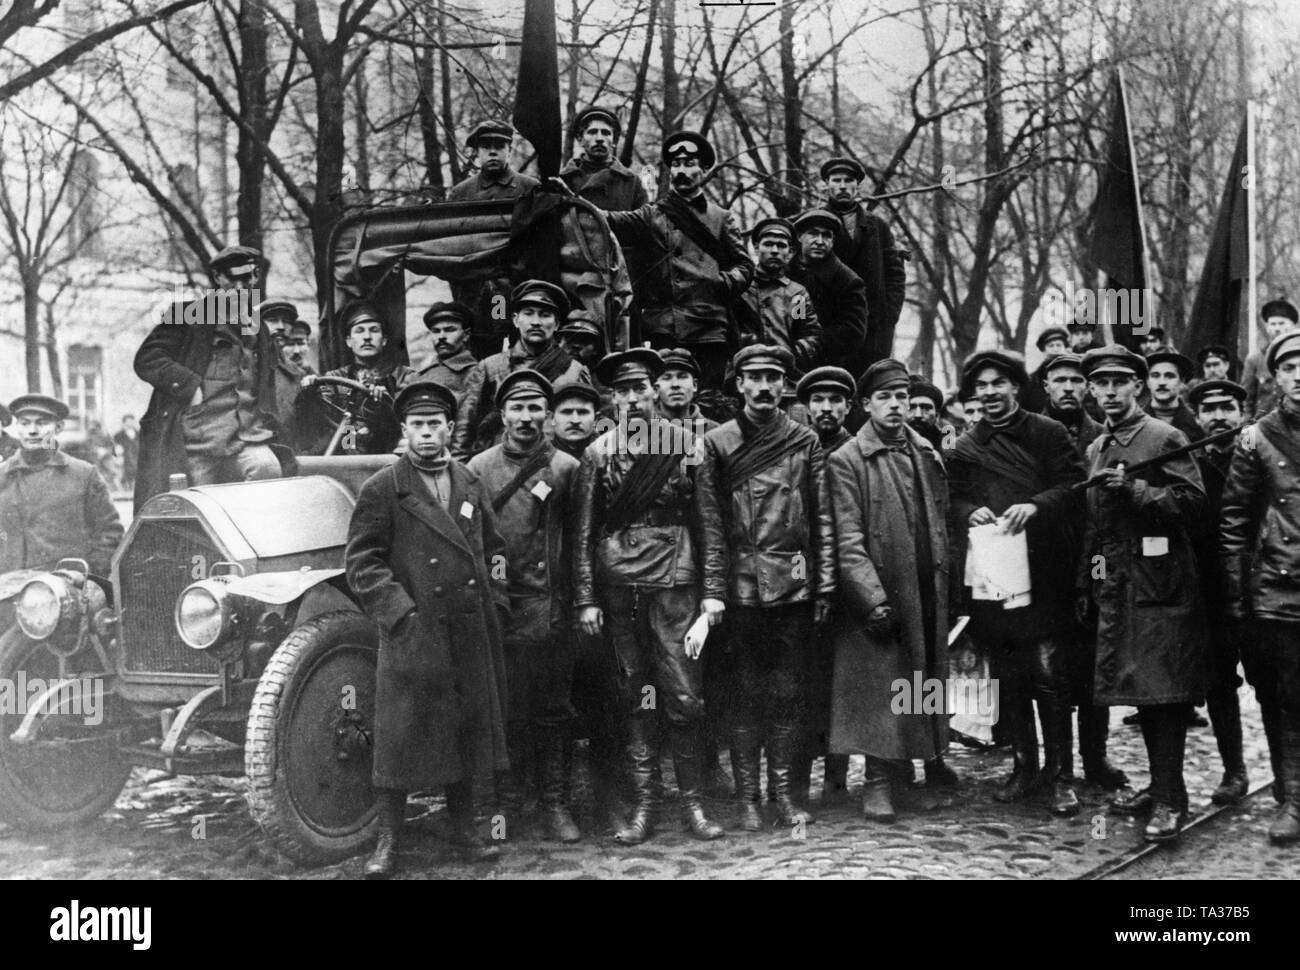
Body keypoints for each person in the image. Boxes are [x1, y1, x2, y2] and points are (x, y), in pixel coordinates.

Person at [344, 380, 510, 878]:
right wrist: (399, 613)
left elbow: (496, 550)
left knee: (462, 731)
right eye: (417, 425)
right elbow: (362, 564)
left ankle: (463, 829)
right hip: (414, 631)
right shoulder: (383, 487)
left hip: (466, 627)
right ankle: (389, 842)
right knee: (400, 737)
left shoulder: (468, 481)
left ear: (450, 429)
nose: (426, 434)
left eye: (435, 424)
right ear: (404, 430)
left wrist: (496, 600)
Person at [571, 348, 724, 844]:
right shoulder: (597, 454)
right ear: (611, 399)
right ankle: (644, 806)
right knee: (636, 696)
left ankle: (694, 806)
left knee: (684, 694)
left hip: (676, 588)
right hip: (619, 590)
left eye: (641, 388)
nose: (633, 399)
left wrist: (714, 592)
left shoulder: (687, 447)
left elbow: (709, 525)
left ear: (656, 391)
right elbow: (585, 533)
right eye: (623, 391)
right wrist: (586, 598)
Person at [695, 345, 835, 831]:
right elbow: (710, 526)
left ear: (783, 383)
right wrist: (713, 590)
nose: (763, 386)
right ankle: (746, 800)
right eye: (753, 377)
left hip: (794, 587)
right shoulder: (716, 442)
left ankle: (784, 796)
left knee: (788, 694)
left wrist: (826, 586)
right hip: (740, 591)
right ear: (738, 384)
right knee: (744, 696)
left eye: (773, 376)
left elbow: (823, 518)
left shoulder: (804, 439)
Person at [947, 349, 1086, 817]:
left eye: (997, 384)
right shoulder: (966, 445)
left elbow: (1074, 486)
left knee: (1048, 675)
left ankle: (1062, 774)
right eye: (980, 387)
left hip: (1043, 571)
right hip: (993, 574)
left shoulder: (1048, 432)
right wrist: (971, 512)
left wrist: (1037, 505)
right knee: (1008, 676)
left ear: (1016, 387)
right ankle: (1025, 767)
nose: (988, 393)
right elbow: (952, 498)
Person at [1076, 345, 1206, 843]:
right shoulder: (1096, 448)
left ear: (1139, 386)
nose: (1109, 391)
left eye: (1120, 382)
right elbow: (1095, 526)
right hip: (1116, 586)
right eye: (1100, 383)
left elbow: (1194, 505)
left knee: (1163, 694)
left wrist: (1139, 493)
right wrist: (1089, 579)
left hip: (1160, 586)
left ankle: (1172, 799)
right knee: (1137, 690)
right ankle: (1159, 786)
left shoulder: (1164, 437)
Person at [827, 359, 953, 821]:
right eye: (885, 397)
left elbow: (940, 521)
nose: (897, 406)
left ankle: (910, 775)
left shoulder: (926, 452)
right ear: (866, 404)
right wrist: (872, 599)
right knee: (882, 685)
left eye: (902, 396)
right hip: (882, 591)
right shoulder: (847, 460)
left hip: (925, 586)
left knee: (921, 681)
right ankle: (877, 781)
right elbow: (846, 538)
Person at [467, 370, 582, 844]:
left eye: (536, 407)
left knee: (553, 708)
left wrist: (575, 602)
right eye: (518, 407)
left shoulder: (567, 469)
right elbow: (471, 539)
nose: (527, 417)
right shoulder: (476, 469)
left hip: (551, 607)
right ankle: (509, 806)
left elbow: (579, 541)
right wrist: (491, 594)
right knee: (509, 711)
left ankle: (555, 805)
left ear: (549, 416)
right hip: (502, 607)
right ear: (503, 414)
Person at [1220, 331, 1300, 844]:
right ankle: (1292, 798)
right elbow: (1234, 519)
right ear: (1275, 377)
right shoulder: (1257, 437)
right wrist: (1236, 593)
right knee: (1287, 697)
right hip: (1281, 588)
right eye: (1291, 367)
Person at [603, 131, 754, 395]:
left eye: (689, 163)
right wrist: (571, 198)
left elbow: (745, 266)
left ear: (704, 169)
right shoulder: (653, 214)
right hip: (664, 328)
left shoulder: (721, 217)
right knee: (665, 399)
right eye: (676, 164)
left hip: (708, 328)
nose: (681, 170)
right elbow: (611, 220)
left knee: (707, 399)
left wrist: (720, 282)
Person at [133, 245, 283, 508]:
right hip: (197, 440)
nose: (240, 287)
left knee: (268, 470)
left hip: (246, 436)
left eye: (246, 279)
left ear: (255, 278)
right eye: (232, 279)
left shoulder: (260, 329)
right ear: (218, 279)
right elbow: (147, 359)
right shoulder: (188, 314)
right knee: (203, 513)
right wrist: (190, 386)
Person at [1040, 353, 1126, 790]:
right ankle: (1058, 766)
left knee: (1097, 665)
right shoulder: (1034, 434)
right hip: (1047, 570)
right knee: (1052, 672)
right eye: (1060, 380)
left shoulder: (1103, 439)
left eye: (1077, 380)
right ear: (1046, 387)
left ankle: (1095, 757)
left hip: (1093, 566)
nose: (1069, 388)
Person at [790, 366, 856, 806]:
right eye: (818, 401)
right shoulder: (794, 446)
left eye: (835, 400)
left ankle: (836, 781)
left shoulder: (855, 451)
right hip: (802, 580)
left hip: (848, 583)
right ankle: (795, 781)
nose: (826, 409)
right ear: (807, 406)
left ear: (849, 406)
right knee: (801, 684)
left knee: (843, 683)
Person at [1187, 379, 1250, 805]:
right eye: (1208, 409)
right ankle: (1234, 769)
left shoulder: (1260, 456)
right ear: (1197, 417)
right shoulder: (1190, 465)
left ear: (1242, 413)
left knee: (1278, 686)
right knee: (1219, 686)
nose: (1218, 417)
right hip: (1212, 597)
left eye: (1227, 407)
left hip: (1265, 590)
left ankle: (1289, 779)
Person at [453, 280, 590, 459]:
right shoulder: (490, 367)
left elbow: (587, 426)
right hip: (500, 465)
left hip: (555, 464)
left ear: (556, 324)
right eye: (528, 314)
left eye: (545, 315)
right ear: (516, 320)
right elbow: (465, 426)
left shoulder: (575, 370)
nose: (536, 322)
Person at [0, 394, 123, 578]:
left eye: (41, 423)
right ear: (17, 427)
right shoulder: (3, 475)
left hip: (66, 588)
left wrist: (87, 576)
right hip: (8, 589)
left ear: (58, 428)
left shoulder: (83, 474)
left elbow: (109, 533)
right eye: (25, 423)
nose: (32, 431)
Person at [448, 120, 541, 360]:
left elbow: (540, 245)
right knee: (482, 359)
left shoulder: (528, 188)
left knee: (521, 355)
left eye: (499, 146)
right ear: (476, 153)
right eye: (485, 146)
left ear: (509, 150)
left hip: (516, 290)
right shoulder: (461, 194)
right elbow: (453, 249)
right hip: (476, 293)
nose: (492, 151)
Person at [298, 301, 415, 456]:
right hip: (348, 442)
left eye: (374, 331)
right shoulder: (334, 378)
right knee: (343, 443)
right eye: (359, 331)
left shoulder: (405, 376)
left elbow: (409, 421)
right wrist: (311, 391)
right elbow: (324, 417)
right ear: (348, 341)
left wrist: (384, 405)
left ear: (384, 340)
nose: (367, 337)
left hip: (390, 447)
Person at [821, 156, 907, 366]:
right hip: (828, 328)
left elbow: (895, 274)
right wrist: (803, 323)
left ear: (857, 187)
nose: (842, 186)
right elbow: (798, 276)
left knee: (870, 389)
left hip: (874, 328)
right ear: (827, 185)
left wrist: (889, 317)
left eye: (849, 180)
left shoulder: (878, 226)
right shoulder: (814, 223)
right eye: (836, 180)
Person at [787, 209, 869, 380]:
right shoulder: (785, 271)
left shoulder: (847, 281)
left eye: (827, 236)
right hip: (778, 362)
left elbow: (853, 331)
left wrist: (811, 345)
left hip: (824, 368)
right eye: (813, 234)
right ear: (800, 236)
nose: (820, 241)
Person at [737, 217, 823, 370]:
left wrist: (793, 356)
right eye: (768, 244)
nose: (775, 251)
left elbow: (806, 331)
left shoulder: (796, 295)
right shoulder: (740, 288)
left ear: (789, 252)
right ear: (757, 248)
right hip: (746, 367)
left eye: (781, 246)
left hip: (785, 371)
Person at [559, 107, 648, 211]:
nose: (599, 139)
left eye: (606, 133)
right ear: (580, 139)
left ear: (614, 141)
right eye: (592, 132)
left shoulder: (631, 183)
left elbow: (644, 222)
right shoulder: (563, 180)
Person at [1242, 298, 1299, 421]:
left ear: (1293, 326)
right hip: (1264, 426)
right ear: (1267, 327)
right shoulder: (1255, 359)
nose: (1277, 328)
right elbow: (1247, 402)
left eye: (1282, 323)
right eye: (1273, 324)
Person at [416, 302, 479, 401]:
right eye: (436, 331)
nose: (441, 337)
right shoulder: (420, 375)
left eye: (450, 330)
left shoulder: (477, 374)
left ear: (466, 335)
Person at [655, 347, 715, 433]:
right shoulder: (643, 431)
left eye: (682, 377)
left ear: (694, 385)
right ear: (655, 388)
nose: (675, 384)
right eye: (666, 378)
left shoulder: (713, 432)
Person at [1144, 349, 1200, 440]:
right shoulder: (1132, 422)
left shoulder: (1197, 422)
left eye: (1169, 376)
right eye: (1155, 376)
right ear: (1147, 382)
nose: (1162, 382)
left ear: (1182, 381)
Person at [550, 380, 600, 461]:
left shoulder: (607, 454)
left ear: (596, 419)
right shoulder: (539, 455)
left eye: (582, 412)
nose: (575, 420)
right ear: (552, 418)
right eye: (566, 412)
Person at [907, 378, 946, 452]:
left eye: (926, 408)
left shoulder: (947, 444)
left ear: (937, 414)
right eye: (911, 407)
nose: (918, 415)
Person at [112, 414, 140, 492]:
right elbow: (114, 449)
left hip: (137, 458)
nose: (130, 423)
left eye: (132, 421)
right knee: (125, 477)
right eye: (128, 421)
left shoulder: (139, 434)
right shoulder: (118, 435)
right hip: (125, 460)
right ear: (124, 423)